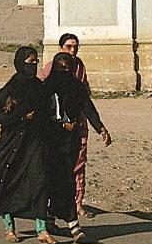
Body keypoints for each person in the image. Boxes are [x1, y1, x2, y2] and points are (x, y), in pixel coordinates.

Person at [0, 46, 59, 244]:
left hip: (36, 141)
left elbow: (48, 111)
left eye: (35, 62)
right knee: (8, 180)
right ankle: (9, 226)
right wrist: (21, 118)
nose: (33, 66)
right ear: (19, 63)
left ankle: (41, 229)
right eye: (29, 62)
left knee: (40, 180)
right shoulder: (12, 87)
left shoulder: (38, 86)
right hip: (14, 141)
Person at [40, 33, 107, 219]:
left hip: (79, 123)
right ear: (61, 48)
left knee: (79, 163)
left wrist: (99, 127)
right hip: (57, 127)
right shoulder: (52, 67)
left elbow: (85, 96)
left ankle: (77, 203)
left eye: (75, 47)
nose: (73, 50)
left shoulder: (80, 66)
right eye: (69, 47)